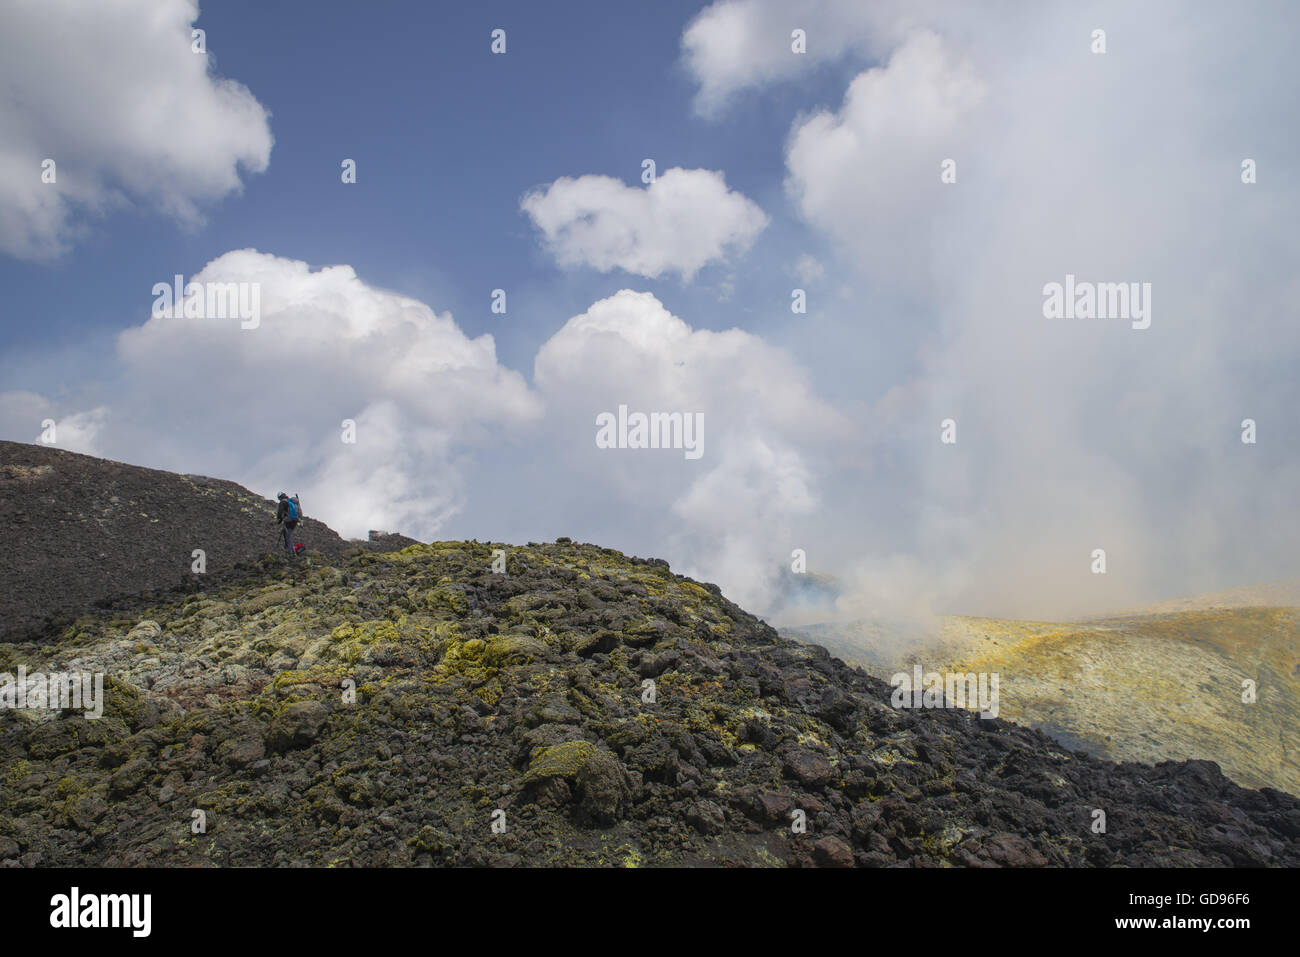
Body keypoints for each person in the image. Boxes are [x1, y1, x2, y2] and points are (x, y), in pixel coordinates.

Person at [275, 492, 300, 557]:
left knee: (288, 536)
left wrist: (279, 520)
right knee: (287, 534)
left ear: (280, 497)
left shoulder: (283, 502)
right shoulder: (290, 501)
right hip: (295, 521)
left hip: (289, 521)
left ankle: (291, 553)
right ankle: (290, 550)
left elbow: (280, 512)